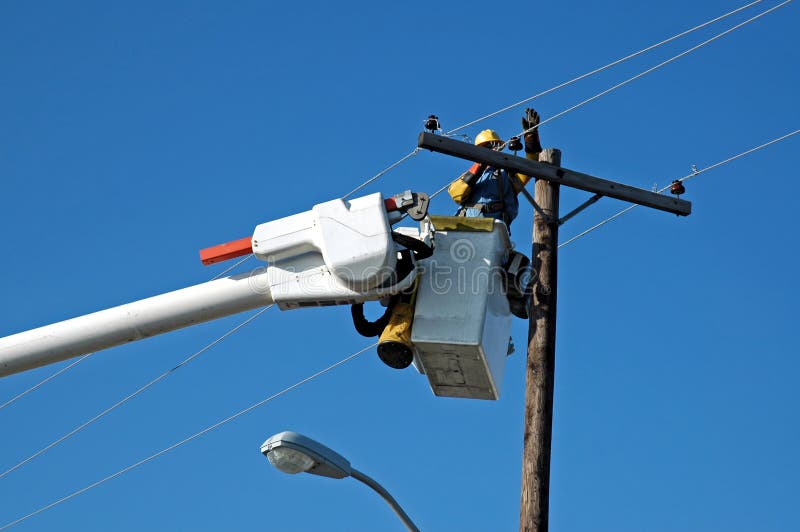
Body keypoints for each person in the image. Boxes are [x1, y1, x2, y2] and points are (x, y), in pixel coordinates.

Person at [447, 108, 543, 229]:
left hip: (494, 231)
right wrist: (481, 163)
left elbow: (532, 164)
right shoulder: (468, 176)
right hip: (467, 229)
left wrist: (531, 137)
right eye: (486, 147)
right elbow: (457, 195)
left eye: (494, 146)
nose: (492, 150)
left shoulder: (507, 176)